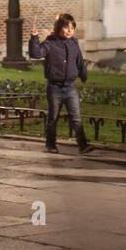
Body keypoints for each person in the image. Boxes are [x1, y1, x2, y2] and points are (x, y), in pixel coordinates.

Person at [29, 13, 91, 154]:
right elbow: (36, 53)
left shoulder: (74, 43)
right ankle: (50, 145)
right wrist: (34, 38)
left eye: (72, 28)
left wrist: (83, 74)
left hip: (70, 87)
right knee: (53, 117)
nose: (69, 31)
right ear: (58, 28)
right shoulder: (50, 43)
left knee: (76, 117)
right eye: (66, 27)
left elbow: (79, 60)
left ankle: (83, 145)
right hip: (54, 87)